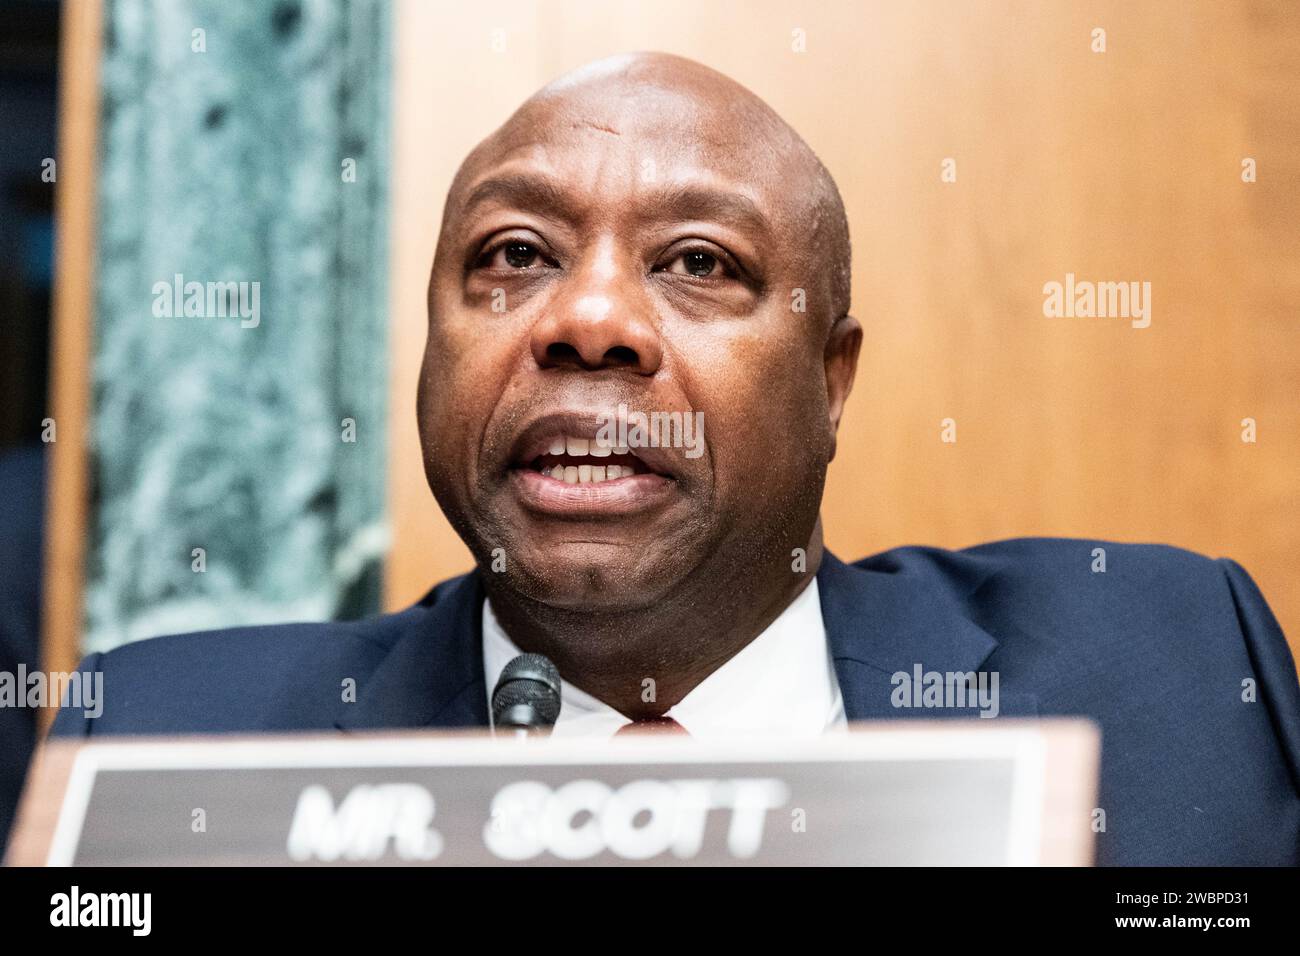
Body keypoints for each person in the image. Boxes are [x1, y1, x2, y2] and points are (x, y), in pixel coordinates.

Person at [52, 53, 1299, 866]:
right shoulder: (168, 742)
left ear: (829, 381)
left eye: (699, 262)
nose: (585, 319)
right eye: (516, 254)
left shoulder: (1171, 665)